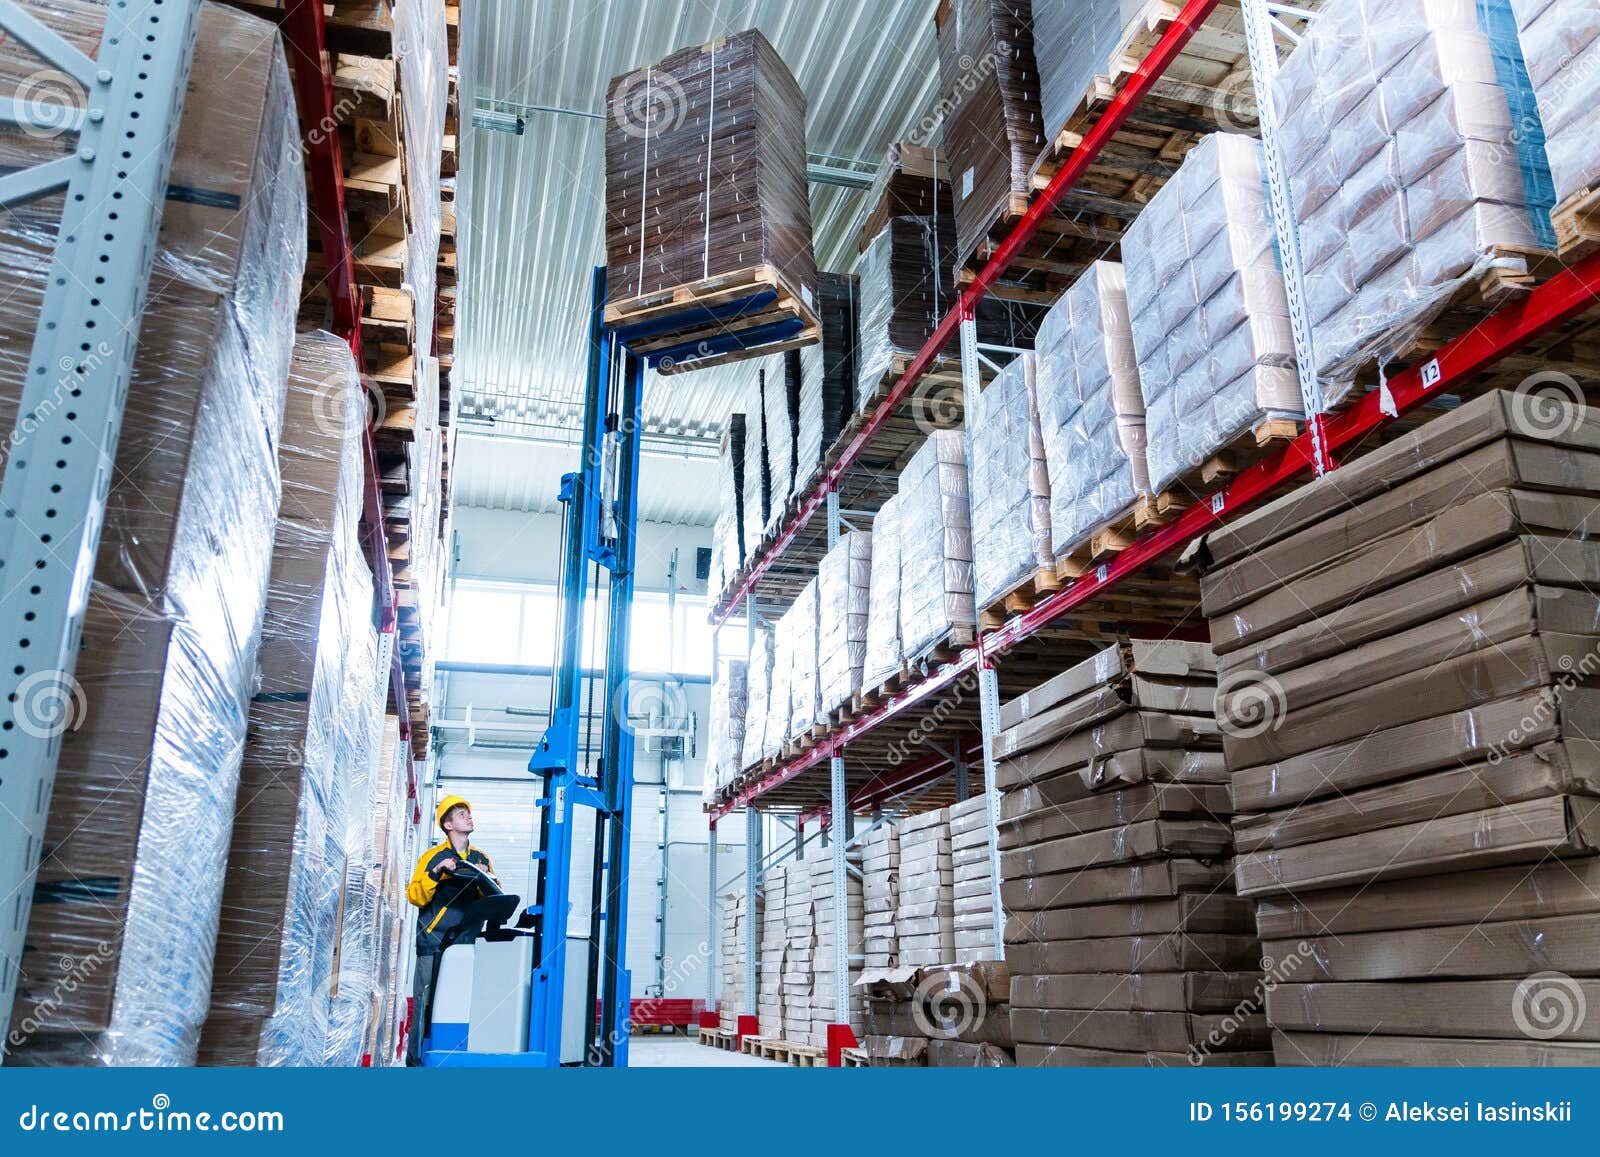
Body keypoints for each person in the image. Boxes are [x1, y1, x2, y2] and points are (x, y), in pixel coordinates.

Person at [404, 794, 498, 1065]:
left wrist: (484, 876)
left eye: (468, 813)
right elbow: (415, 896)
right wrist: (437, 873)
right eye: (460, 814)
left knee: (461, 1007)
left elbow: (493, 897)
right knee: (426, 1007)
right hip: (433, 945)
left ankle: (456, 1059)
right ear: (447, 825)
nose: (468, 816)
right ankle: (417, 1063)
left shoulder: (481, 858)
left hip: (467, 946)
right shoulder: (433, 857)